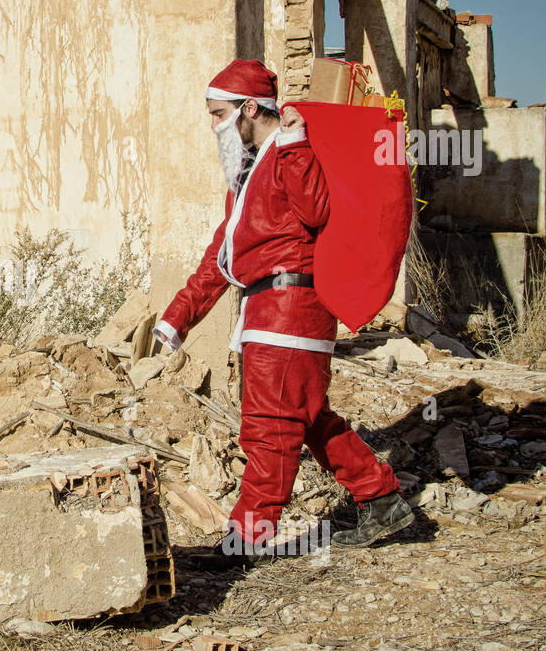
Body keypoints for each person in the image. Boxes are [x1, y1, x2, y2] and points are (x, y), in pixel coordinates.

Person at [152, 59, 413, 557]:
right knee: (306, 416)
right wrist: (179, 314)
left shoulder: (291, 149)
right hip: (269, 311)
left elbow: (315, 209)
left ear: (250, 108)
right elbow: (223, 256)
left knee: (269, 426)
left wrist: (294, 145)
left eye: (219, 114)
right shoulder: (247, 172)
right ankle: (381, 499)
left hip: (290, 308)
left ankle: (245, 541)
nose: (214, 126)